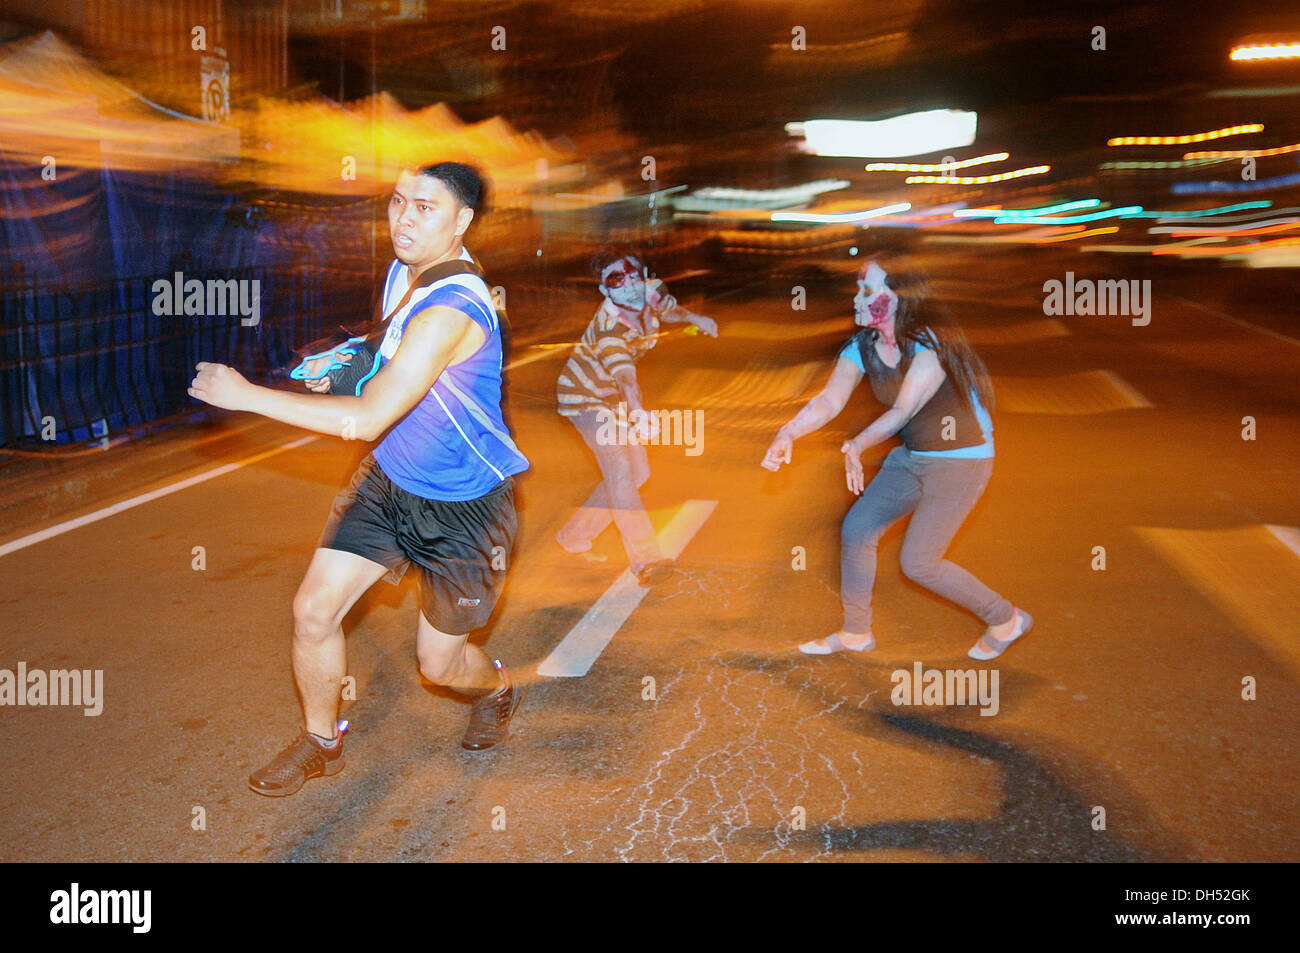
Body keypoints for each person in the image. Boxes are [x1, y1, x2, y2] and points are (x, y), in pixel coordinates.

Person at [188, 162, 530, 797]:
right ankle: (323, 742)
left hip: (466, 506)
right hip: (389, 481)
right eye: (398, 202)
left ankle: (499, 690)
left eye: (426, 208)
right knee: (313, 611)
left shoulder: (452, 311)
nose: (403, 219)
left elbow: (367, 418)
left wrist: (247, 395)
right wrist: (352, 366)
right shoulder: (407, 270)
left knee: (440, 665)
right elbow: (387, 363)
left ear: (462, 222)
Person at [761, 258, 1031, 659]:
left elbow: (902, 411)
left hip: (962, 461)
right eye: (858, 290)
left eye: (867, 292)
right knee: (857, 530)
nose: (856, 298)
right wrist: (788, 432)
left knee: (919, 563)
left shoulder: (929, 347)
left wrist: (857, 444)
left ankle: (1006, 618)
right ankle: (855, 632)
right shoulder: (861, 347)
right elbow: (829, 401)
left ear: (898, 298)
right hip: (914, 456)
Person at [554, 245, 717, 585]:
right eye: (617, 279)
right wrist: (639, 413)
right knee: (621, 472)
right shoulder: (610, 331)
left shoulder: (650, 294)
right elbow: (626, 378)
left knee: (637, 472)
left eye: (634, 276)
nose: (629, 285)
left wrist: (696, 318)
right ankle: (646, 559)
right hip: (584, 398)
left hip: (611, 399)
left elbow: (668, 310)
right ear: (604, 289)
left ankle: (573, 536)